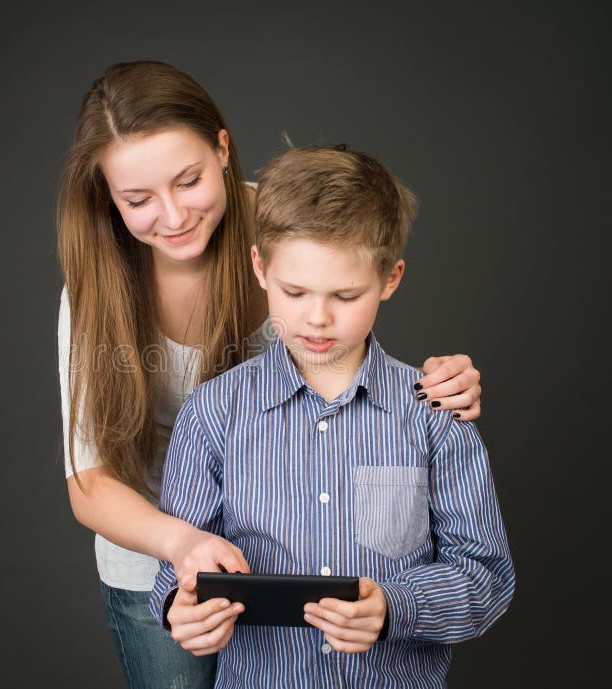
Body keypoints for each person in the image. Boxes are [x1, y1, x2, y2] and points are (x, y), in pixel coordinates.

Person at [57, 61, 484, 689]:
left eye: (190, 180)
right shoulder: (96, 289)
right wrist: (179, 548)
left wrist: (440, 382)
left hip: (295, 556)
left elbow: (346, 333)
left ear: (223, 149)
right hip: (156, 554)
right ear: (107, 197)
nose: (173, 216)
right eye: (138, 199)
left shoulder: (287, 225)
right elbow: (88, 479)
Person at [150, 144, 514, 688]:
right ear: (260, 268)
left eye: (346, 294)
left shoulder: (435, 414)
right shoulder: (213, 413)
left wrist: (395, 606)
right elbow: (172, 573)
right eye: (295, 291)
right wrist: (180, 610)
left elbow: (486, 578)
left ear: (390, 279)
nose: (317, 318)